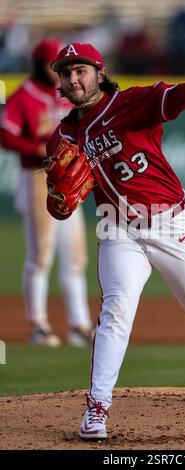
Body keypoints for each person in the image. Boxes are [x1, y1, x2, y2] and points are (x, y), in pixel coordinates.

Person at [47, 19, 185, 438]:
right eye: (66, 73)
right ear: (59, 82)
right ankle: (97, 407)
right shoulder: (62, 136)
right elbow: (61, 199)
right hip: (117, 230)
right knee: (116, 312)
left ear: (99, 72)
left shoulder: (135, 103)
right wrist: (58, 201)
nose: (73, 78)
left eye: (81, 70)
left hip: (170, 222)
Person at [0, 39, 93, 347]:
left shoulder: (66, 94)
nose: (64, 73)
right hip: (36, 177)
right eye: (57, 67)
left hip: (67, 179)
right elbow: (5, 134)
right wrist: (36, 149)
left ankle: (79, 325)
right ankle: (37, 324)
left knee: (76, 256)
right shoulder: (24, 96)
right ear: (41, 65)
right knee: (41, 254)